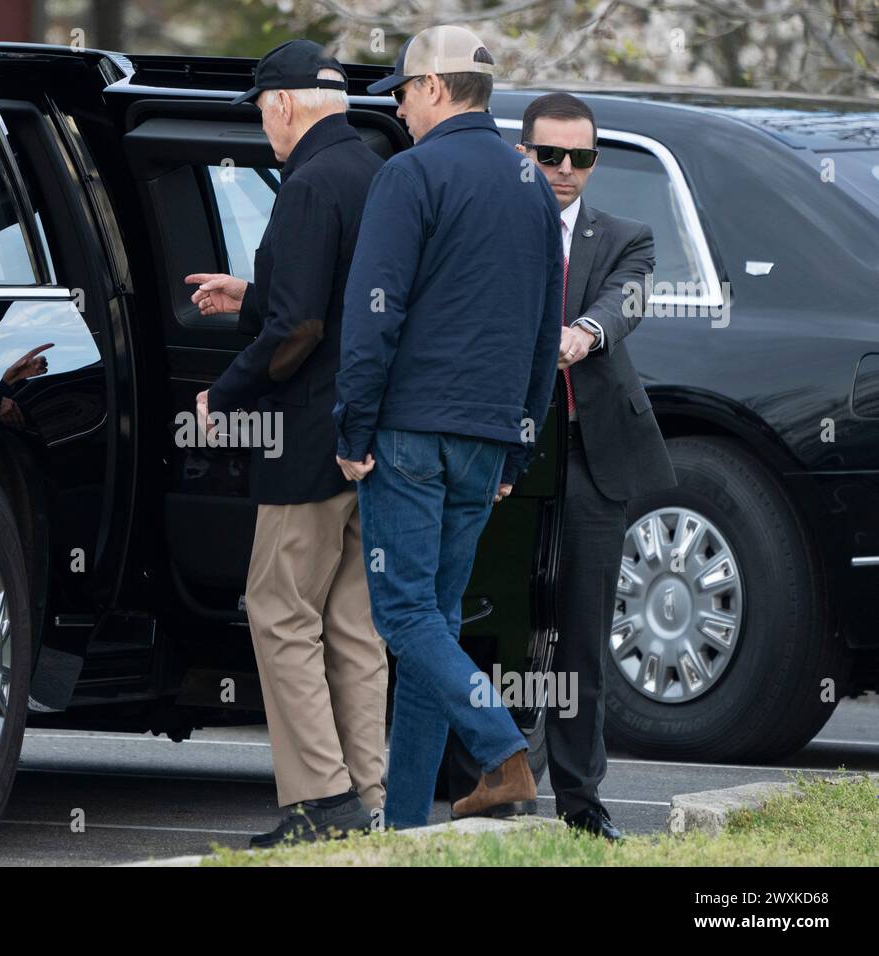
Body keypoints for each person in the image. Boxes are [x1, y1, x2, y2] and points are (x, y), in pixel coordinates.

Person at [334, 25, 563, 829]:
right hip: (485, 441)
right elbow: (545, 328)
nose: (399, 109)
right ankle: (402, 826)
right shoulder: (532, 183)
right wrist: (519, 441)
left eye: (401, 93)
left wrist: (353, 429)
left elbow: (373, 317)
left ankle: (504, 754)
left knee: (403, 618)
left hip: (408, 434)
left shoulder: (411, 174)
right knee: (432, 620)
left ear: (433, 87)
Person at [184, 38, 387, 848]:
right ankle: (366, 803)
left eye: (262, 112)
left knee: (279, 611)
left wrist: (224, 393)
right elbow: (338, 303)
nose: (263, 128)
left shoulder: (306, 183)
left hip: (307, 439)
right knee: (354, 625)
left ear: (282, 103)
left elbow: (300, 327)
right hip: (370, 438)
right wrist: (252, 294)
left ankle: (317, 805)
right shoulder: (376, 173)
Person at [513, 92, 677, 840]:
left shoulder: (626, 237)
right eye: (550, 155)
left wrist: (584, 332)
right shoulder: (497, 226)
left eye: (580, 157)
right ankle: (497, 778)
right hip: (508, 449)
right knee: (502, 624)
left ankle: (582, 804)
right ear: (524, 153)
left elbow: (627, 299)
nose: (565, 170)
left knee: (581, 633)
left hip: (591, 454)